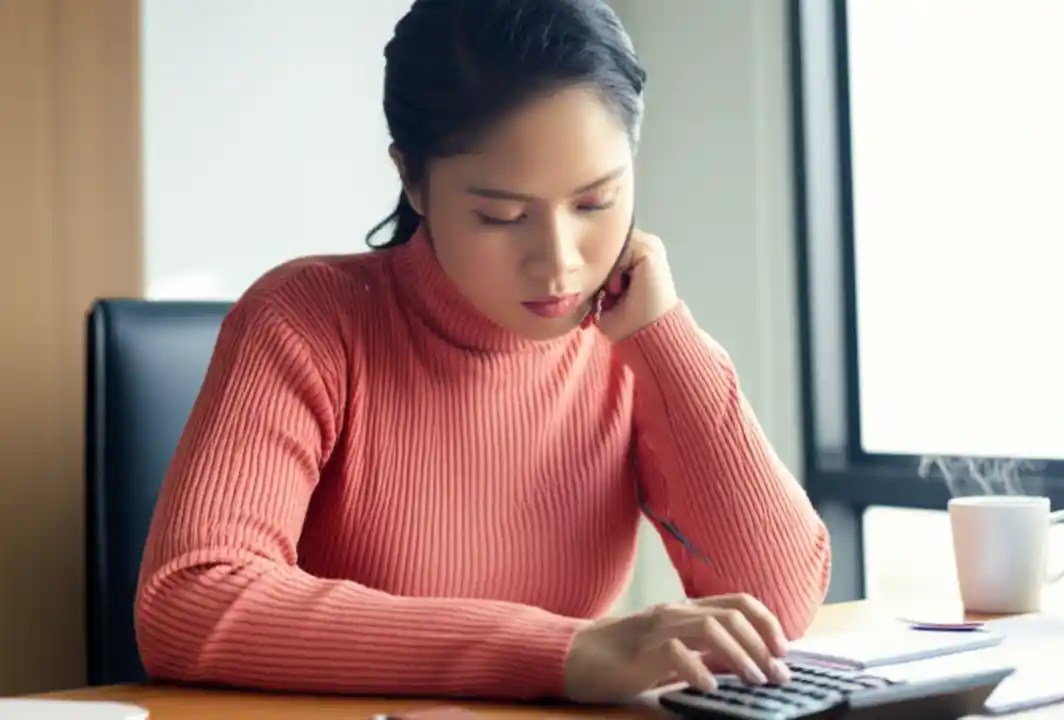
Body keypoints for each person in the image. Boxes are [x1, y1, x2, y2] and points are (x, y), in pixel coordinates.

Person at [133, 0, 830, 705]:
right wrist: (560, 651)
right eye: (501, 216)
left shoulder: (628, 338)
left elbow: (776, 606)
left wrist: (665, 339)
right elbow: (190, 603)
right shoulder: (306, 321)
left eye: (596, 203)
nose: (558, 264)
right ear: (412, 179)